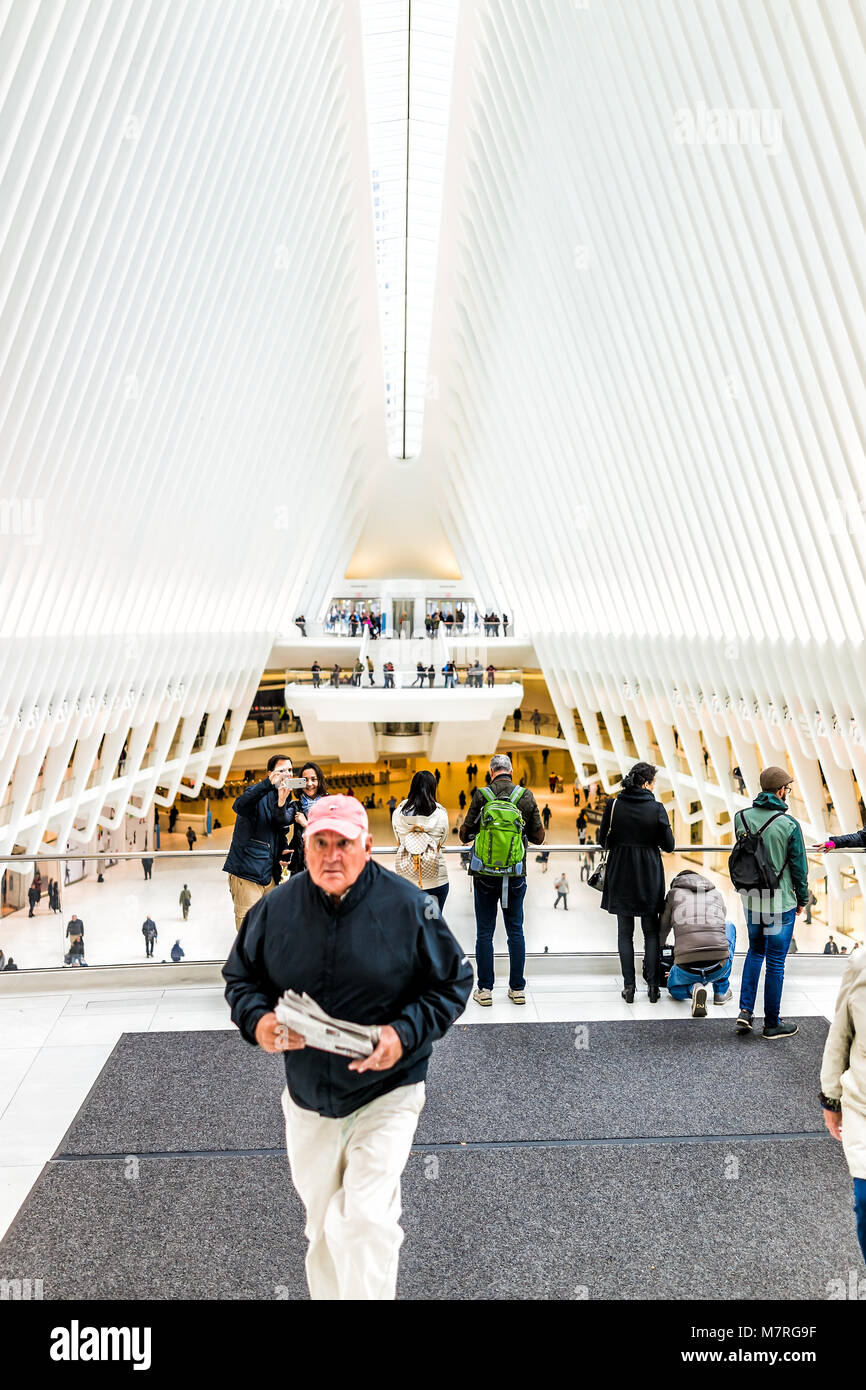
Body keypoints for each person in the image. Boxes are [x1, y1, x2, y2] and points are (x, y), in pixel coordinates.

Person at [223, 795, 473, 1301]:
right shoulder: (277, 909)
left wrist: (402, 1034)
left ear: (368, 846)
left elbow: (453, 982)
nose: (331, 855)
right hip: (309, 1098)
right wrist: (260, 1022)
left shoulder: (408, 906)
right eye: (320, 843)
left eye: (344, 843)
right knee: (322, 1228)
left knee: (365, 1221)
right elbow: (241, 978)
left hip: (388, 1092)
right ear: (305, 847)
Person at [460, 754, 545, 1006]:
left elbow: (465, 834)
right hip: (515, 875)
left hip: (485, 875)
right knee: (515, 931)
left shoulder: (482, 795)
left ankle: (485, 990)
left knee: (484, 933)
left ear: (491, 772)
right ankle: (517, 989)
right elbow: (539, 837)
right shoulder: (525, 796)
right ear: (511, 771)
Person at [733, 766, 809, 1039]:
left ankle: (745, 1012)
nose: (788, 792)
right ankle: (772, 1024)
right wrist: (802, 899)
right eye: (787, 788)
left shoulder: (740, 817)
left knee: (755, 951)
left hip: (753, 899)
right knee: (776, 962)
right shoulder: (789, 825)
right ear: (780, 791)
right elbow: (799, 869)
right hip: (779, 903)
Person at [598, 762, 674, 1003]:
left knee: (625, 934)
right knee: (650, 932)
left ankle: (629, 988)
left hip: (621, 874)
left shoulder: (614, 805)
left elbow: (603, 841)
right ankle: (652, 987)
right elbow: (669, 845)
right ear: (646, 784)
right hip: (648, 875)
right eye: (653, 783)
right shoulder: (656, 808)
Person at [820, 946, 866, 1264]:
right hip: (862, 1103)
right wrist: (831, 1097)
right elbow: (840, 1034)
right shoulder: (861, 963)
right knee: (865, 1201)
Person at [222, 753, 297, 930]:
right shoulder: (256, 793)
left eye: (290, 770)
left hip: (269, 875)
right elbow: (239, 806)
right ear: (270, 773)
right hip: (247, 874)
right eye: (282, 770)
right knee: (249, 931)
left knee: (270, 930)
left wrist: (282, 849)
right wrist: (267, 784)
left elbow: (278, 830)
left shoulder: (284, 797)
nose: (287, 774)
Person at [660, 871, 735, 1016]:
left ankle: (694, 988)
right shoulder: (716, 893)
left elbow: (662, 929)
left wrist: (662, 952)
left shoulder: (673, 894)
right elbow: (720, 924)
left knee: (673, 989)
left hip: (687, 969)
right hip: (718, 967)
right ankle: (721, 992)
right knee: (729, 925)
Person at [392, 771, 451, 912]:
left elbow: (398, 839)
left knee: (410, 922)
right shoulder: (441, 814)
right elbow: (442, 840)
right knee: (432, 922)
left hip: (406, 882)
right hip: (436, 880)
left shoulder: (397, 814)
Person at [288, 762, 329, 874]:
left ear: (319, 781)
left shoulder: (330, 803)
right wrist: (283, 793)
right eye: (305, 780)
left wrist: (306, 824)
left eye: (313, 779)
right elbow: (280, 818)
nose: (309, 784)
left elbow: (330, 834)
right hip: (301, 866)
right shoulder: (297, 805)